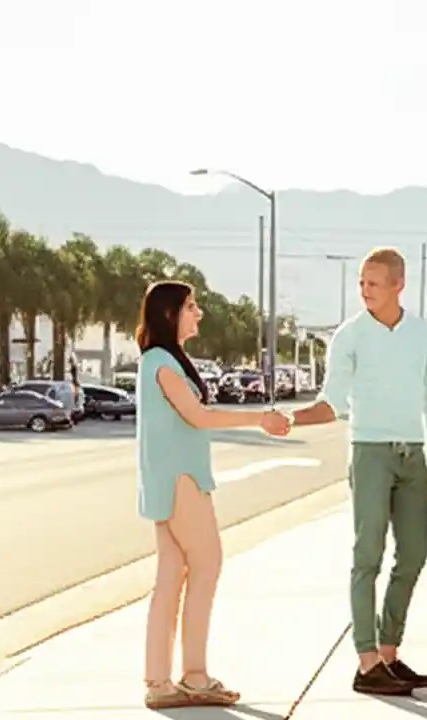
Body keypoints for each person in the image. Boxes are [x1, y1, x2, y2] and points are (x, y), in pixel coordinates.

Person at [285, 247, 427, 696]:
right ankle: (366, 661)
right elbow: (332, 401)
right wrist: (293, 418)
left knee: (413, 555)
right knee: (367, 557)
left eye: (373, 283)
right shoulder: (349, 335)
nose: (365, 291)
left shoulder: (421, 333)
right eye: (361, 283)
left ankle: (389, 655)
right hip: (370, 452)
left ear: (399, 284)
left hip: (413, 455)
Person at [136, 280, 290, 710]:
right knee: (206, 565)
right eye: (191, 306)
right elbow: (198, 416)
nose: (198, 313)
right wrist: (261, 418)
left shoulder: (158, 360)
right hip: (182, 481)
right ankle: (195, 676)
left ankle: (159, 681)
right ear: (170, 314)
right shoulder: (163, 363)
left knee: (171, 577)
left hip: (168, 481)